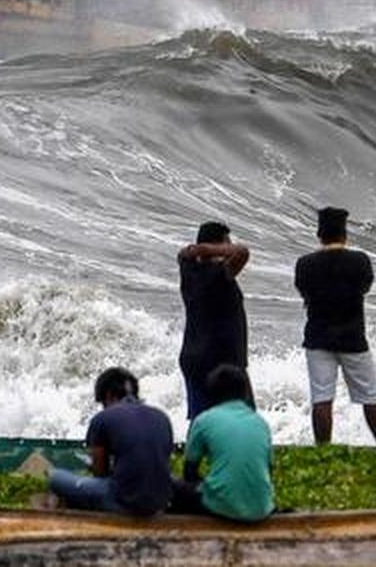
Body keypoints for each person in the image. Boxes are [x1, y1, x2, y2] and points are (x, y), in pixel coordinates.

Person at [294, 207, 376, 446]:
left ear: (320, 233)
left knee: (322, 398)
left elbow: (303, 291)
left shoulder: (305, 263)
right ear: (344, 233)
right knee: (370, 396)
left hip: (318, 338)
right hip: (353, 338)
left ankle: (323, 451)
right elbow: (365, 287)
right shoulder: (359, 261)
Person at [47, 367, 174, 515]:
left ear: (107, 395)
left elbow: (99, 472)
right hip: (160, 501)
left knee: (55, 477)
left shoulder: (103, 418)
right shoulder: (162, 417)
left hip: (123, 502)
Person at [173, 364, 275, 522]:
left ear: (211, 393)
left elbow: (189, 472)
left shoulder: (204, 420)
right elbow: (268, 469)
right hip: (262, 507)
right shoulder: (260, 422)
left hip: (222, 506)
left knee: (173, 486)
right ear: (245, 392)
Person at [179, 221, 251, 420]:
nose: (229, 247)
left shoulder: (188, 269)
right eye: (226, 243)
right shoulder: (219, 274)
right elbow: (242, 252)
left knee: (200, 419)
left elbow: (184, 253)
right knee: (242, 416)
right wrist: (209, 249)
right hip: (223, 361)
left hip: (193, 357)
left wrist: (200, 249)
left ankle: (196, 451)